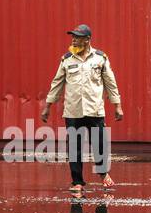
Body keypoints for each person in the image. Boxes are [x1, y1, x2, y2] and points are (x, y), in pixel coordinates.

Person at [40, 24, 123, 194]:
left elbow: (110, 83)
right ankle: (77, 182)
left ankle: (103, 173)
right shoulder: (67, 59)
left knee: (99, 145)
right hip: (73, 111)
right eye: (73, 37)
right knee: (74, 147)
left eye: (77, 37)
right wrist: (47, 106)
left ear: (87, 40)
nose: (74, 39)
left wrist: (117, 106)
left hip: (95, 110)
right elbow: (57, 83)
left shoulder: (100, 58)